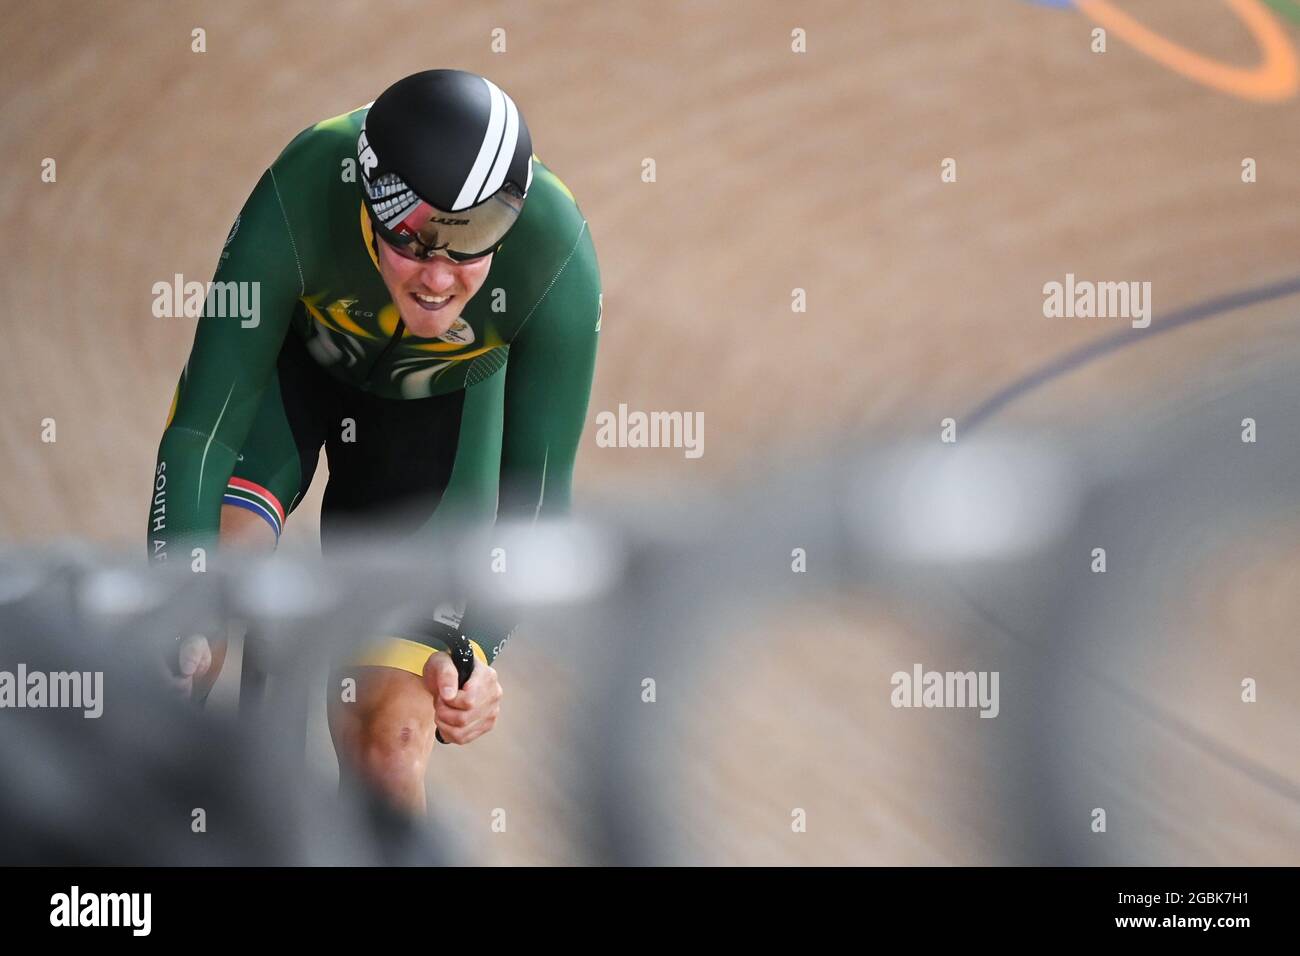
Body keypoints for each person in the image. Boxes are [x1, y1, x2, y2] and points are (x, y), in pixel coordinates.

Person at [147, 69, 601, 815]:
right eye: (415, 241)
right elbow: (202, 430)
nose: (437, 277)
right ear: (370, 200)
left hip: (435, 426)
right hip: (293, 373)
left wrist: (477, 654)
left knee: (389, 745)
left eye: (470, 245)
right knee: (198, 624)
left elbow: (539, 503)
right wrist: (178, 606)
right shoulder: (304, 183)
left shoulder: (557, 253)